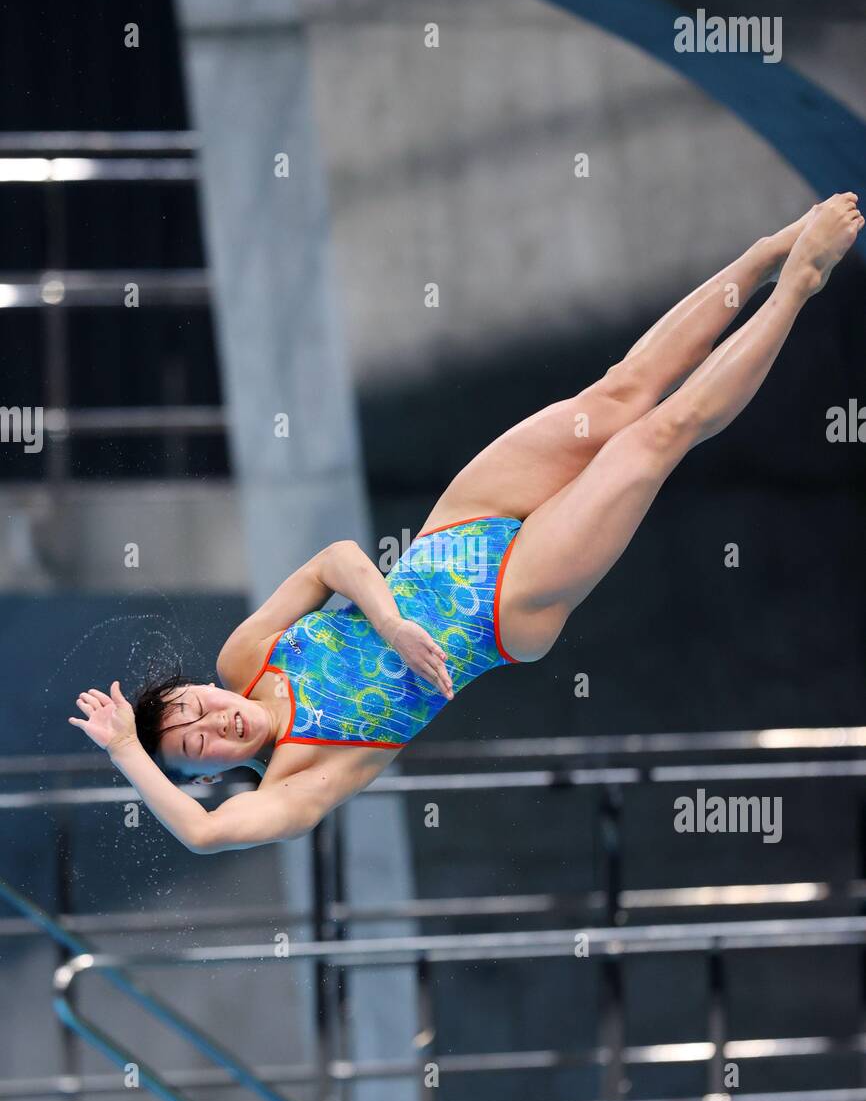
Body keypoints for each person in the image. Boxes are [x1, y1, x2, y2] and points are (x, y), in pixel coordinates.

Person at [70, 195, 863, 853]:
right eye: (194, 746)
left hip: (455, 529)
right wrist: (128, 754)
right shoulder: (301, 780)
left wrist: (387, 617)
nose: (215, 722)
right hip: (502, 613)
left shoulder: (246, 656)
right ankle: (800, 281)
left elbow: (333, 560)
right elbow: (205, 838)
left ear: (205, 687)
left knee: (618, 393)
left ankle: (765, 252)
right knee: (655, 437)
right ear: (204, 775)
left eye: (196, 709)